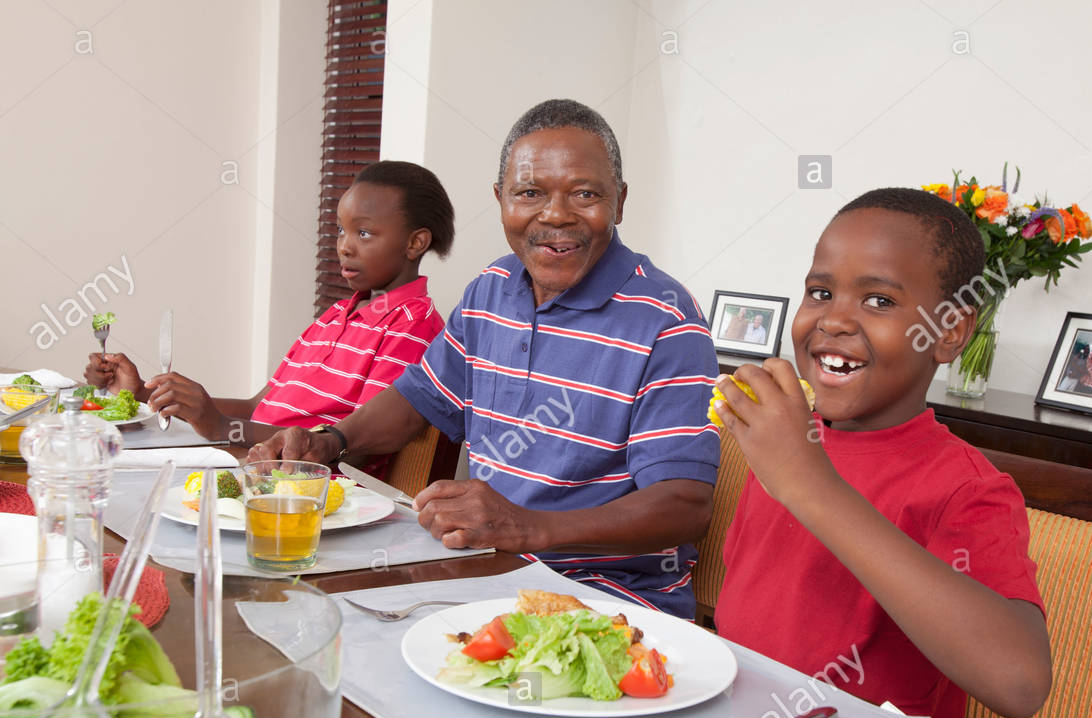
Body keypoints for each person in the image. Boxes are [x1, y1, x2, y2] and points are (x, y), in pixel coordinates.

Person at [249, 100, 719, 617]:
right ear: (500, 199)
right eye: (530, 193)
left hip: (605, 598)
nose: (556, 214)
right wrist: (329, 442)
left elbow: (684, 504)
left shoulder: (668, 320)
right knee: (298, 615)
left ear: (620, 201)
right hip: (485, 572)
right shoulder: (490, 289)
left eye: (585, 194)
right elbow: (419, 397)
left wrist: (528, 527)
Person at [710, 187, 1051, 718]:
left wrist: (809, 485)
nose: (835, 321)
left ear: (950, 332)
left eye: (879, 302)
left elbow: (1020, 682)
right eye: (820, 292)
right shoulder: (785, 437)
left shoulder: (964, 488)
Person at [85, 161, 455, 451]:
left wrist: (218, 426)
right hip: (251, 459)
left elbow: (351, 443)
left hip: (305, 491)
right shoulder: (333, 317)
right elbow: (255, 408)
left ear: (415, 243)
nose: (344, 245)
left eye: (363, 232)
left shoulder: (412, 325)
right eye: (341, 230)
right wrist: (146, 395)